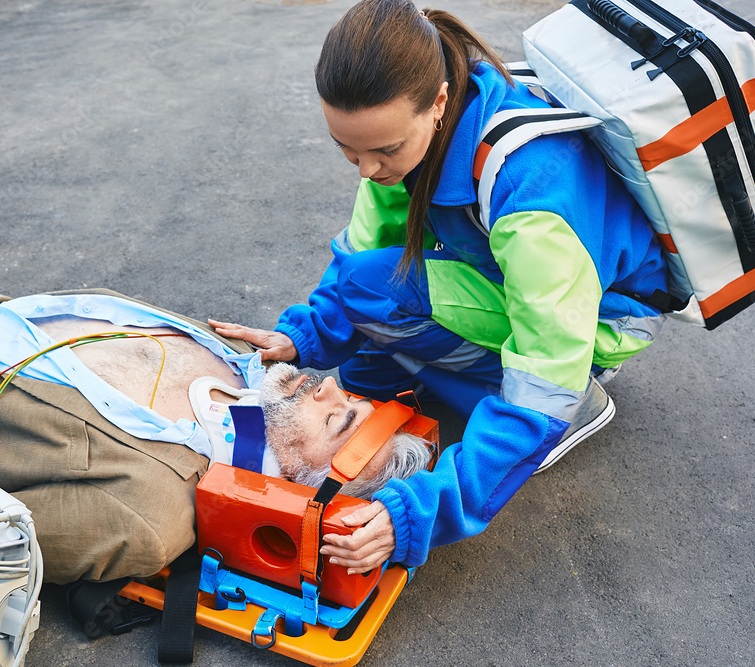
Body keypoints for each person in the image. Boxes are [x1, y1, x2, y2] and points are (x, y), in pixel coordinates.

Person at [210, 0, 670, 575]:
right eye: (346, 150)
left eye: (383, 152)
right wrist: (300, 338)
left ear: (440, 104)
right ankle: (466, 380)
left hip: (603, 316)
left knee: (380, 299)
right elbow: (361, 245)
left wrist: (419, 514)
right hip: (512, 277)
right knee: (364, 367)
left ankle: (578, 405)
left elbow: (545, 362)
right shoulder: (405, 140)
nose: (366, 170)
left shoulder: (533, 194)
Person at [0, 286, 432, 582]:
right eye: (350, 396)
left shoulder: (151, 512)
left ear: (304, 480)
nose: (327, 387)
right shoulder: (250, 371)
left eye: (338, 419)